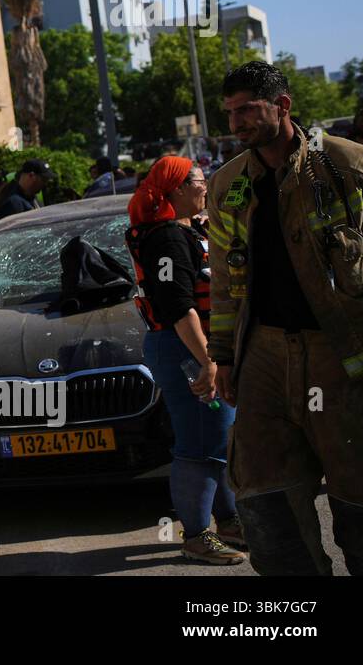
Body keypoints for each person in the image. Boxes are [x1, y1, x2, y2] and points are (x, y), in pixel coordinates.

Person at [208, 60, 363, 575]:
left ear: (283, 106)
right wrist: (224, 359)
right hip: (265, 361)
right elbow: (224, 285)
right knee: (265, 505)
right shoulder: (228, 185)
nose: (236, 124)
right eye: (229, 113)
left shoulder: (348, 167)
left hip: (342, 357)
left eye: (247, 110)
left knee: (360, 499)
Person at [126, 158, 245, 565]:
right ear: (176, 190)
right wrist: (208, 361)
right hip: (186, 351)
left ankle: (229, 521)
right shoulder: (167, 239)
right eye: (198, 180)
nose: (205, 186)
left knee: (220, 439)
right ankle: (196, 536)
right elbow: (179, 308)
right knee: (200, 444)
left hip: (193, 348)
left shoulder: (184, 231)